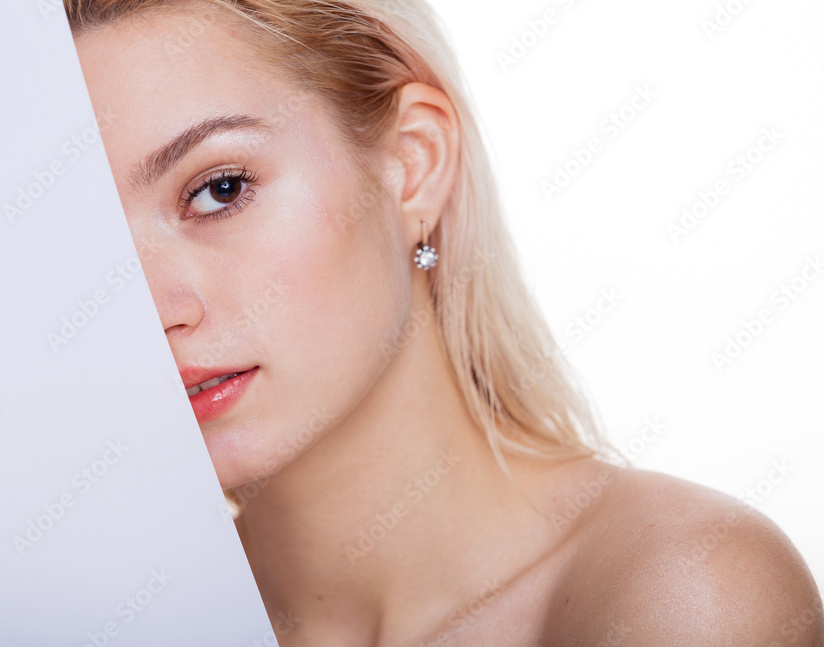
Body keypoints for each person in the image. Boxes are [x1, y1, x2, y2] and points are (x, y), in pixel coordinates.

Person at [64, 0, 823, 643]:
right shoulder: (114, 617)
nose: (154, 310)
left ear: (413, 162)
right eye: (84, 243)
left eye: (220, 188)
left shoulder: (679, 594)